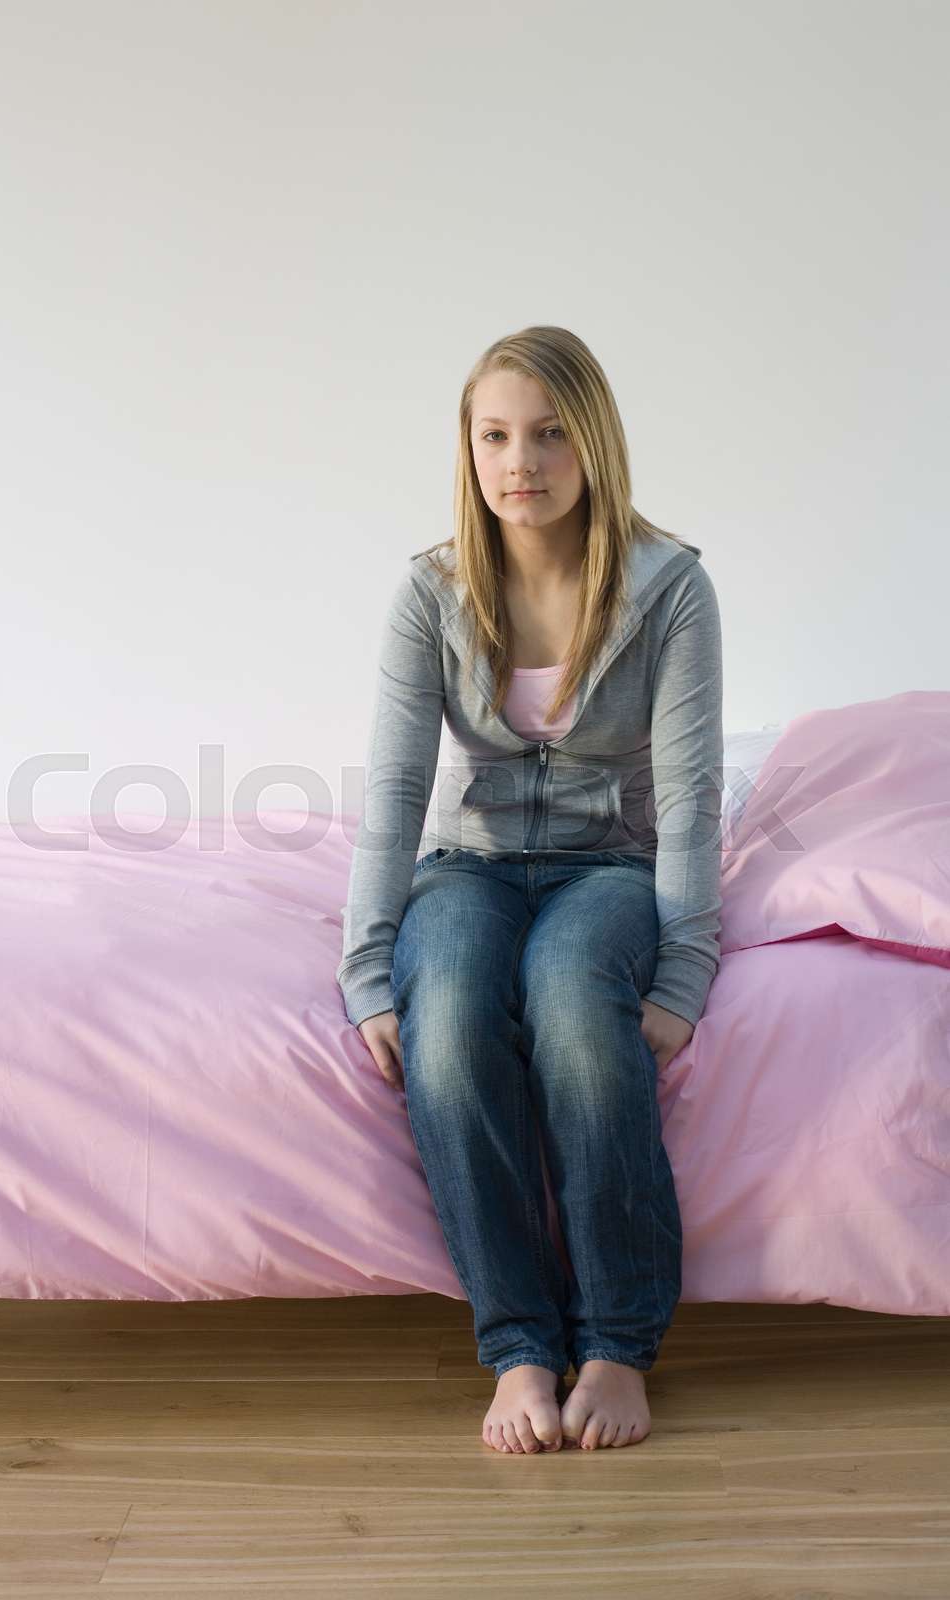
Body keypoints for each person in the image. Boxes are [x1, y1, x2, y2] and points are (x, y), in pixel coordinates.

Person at [336, 325, 724, 1456]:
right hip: (470, 865)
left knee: (569, 1004)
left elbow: (692, 796)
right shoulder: (431, 590)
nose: (522, 460)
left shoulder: (671, 589)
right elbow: (398, 786)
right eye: (496, 434)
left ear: (592, 442)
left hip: (611, 867)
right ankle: (515, 1346)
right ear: (467, 448)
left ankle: (614, 1340)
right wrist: (367, 969)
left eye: (551, 433)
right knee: (446, 1019)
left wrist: (684, 968)